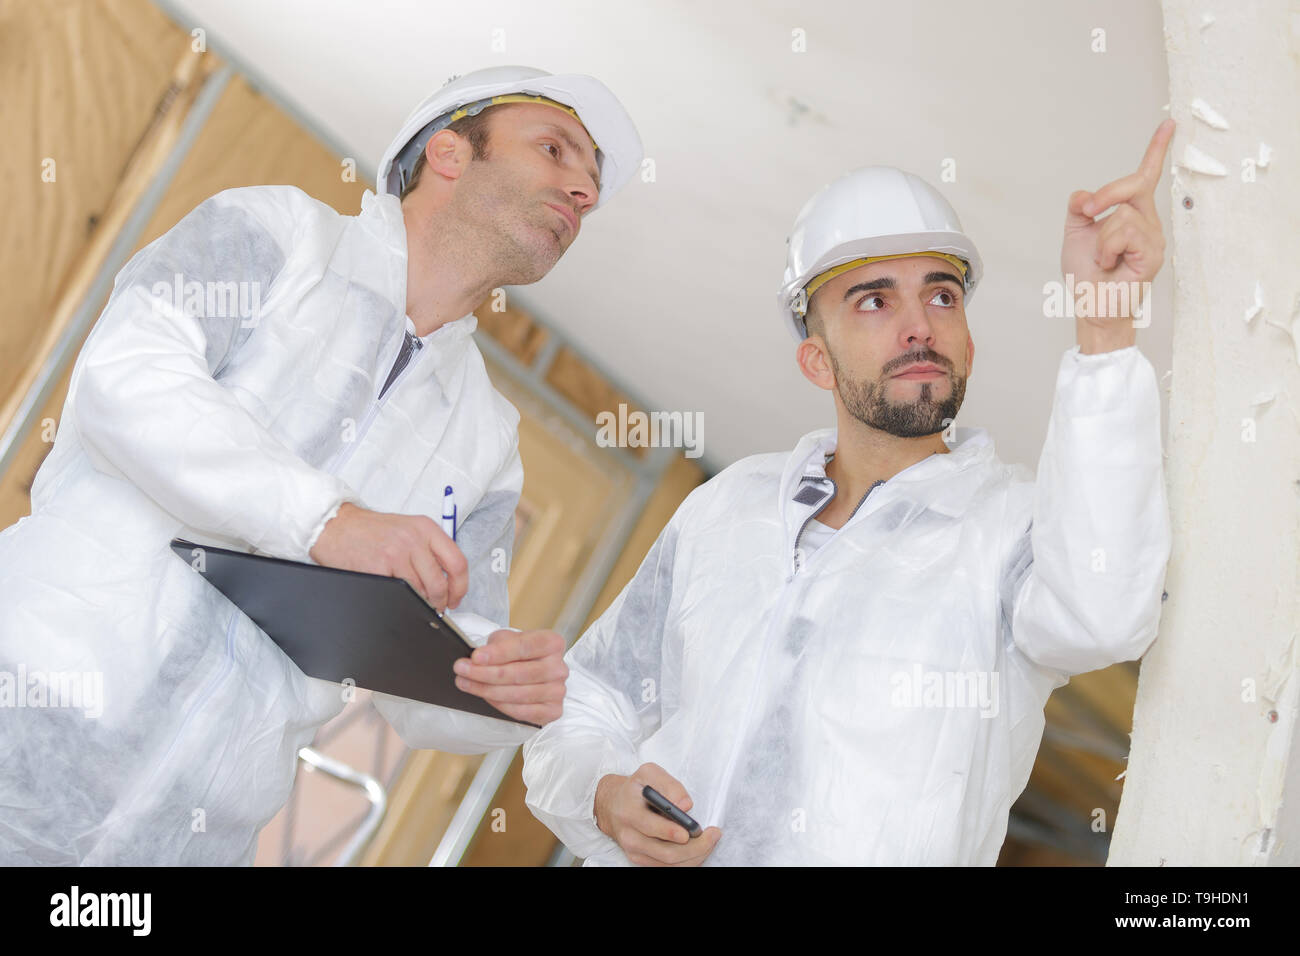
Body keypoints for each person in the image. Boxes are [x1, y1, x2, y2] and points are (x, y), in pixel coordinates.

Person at [0, 65, 642, 865]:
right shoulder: (275, 232)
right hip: (26, 710)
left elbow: (429, 686)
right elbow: (126, 380)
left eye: (592, 185)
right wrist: (326, 522)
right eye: (556, 150)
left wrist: (494, 687)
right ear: (448, 152)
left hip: (187, 828)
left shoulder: (486, 440)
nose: (582, 192)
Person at [522, 121, 1177, 866]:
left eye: (942, 295)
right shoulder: (728, 509)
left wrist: (1104, 331)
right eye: (873, 301)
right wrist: (603, 794)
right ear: (816, 360)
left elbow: (1103, 617)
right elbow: (588, 701)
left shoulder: (1008, 530)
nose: (917, 327)